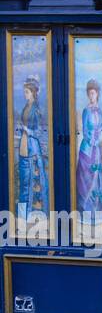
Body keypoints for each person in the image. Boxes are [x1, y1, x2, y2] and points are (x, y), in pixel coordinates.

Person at [14, 76, 49, 224]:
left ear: (33, 93)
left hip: (32, 148)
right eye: (24, 92)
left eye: (27, 92)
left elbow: (40, 130)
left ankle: (34, 214)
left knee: (32, 180)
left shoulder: (36, 109)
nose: (25, 94)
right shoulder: (26, 107)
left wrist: (27, 130)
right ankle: (23, 216)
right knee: (24, 181)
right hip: (23, 144)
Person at [75, 78, 102, 225]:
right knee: (86, 179)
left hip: (96, 151)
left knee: (97, 180)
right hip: (87, 150)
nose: (91, 96)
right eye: (89, 93)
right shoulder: (86, 111)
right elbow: (84, 130)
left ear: (97, 94)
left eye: (93, 93)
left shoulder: (99, 111)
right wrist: (93, 141)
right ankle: (85, 212)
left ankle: (97, 212)